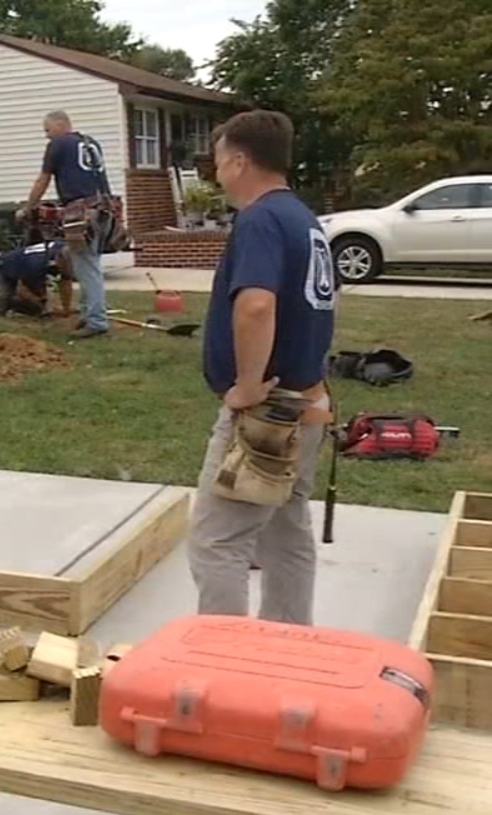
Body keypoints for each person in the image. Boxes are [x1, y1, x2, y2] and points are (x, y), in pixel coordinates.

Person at [186, 110, 338, 626]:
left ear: (240, 159)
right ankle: (287, 643)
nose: (217, 172)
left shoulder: (260, 219)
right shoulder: (304, 219)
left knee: (217, 541)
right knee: (286, 533)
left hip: (267, 416)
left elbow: (256, 305)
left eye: (220, 161)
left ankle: (226, 671)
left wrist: (247, 386)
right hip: (308, 400)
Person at [18, 111, 114, 339]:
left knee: (87, 267)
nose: (46, 136)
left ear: (61, 125)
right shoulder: (90, 143)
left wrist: (28, 208)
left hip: (82, 212)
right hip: (105, 208)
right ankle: (87, 313)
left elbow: (43, 179)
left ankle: (97, 321)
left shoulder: (59, 144)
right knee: (86, 263)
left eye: (47, 130)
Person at [0, 239, 74, 317]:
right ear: (58, 260)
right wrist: (43, 306)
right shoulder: (36, 264)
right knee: (0, 306)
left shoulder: (65, 247)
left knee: (41, 301)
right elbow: (21, 290)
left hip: (29, 263)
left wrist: (66, 309)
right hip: (7, 265)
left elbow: (66, 279)